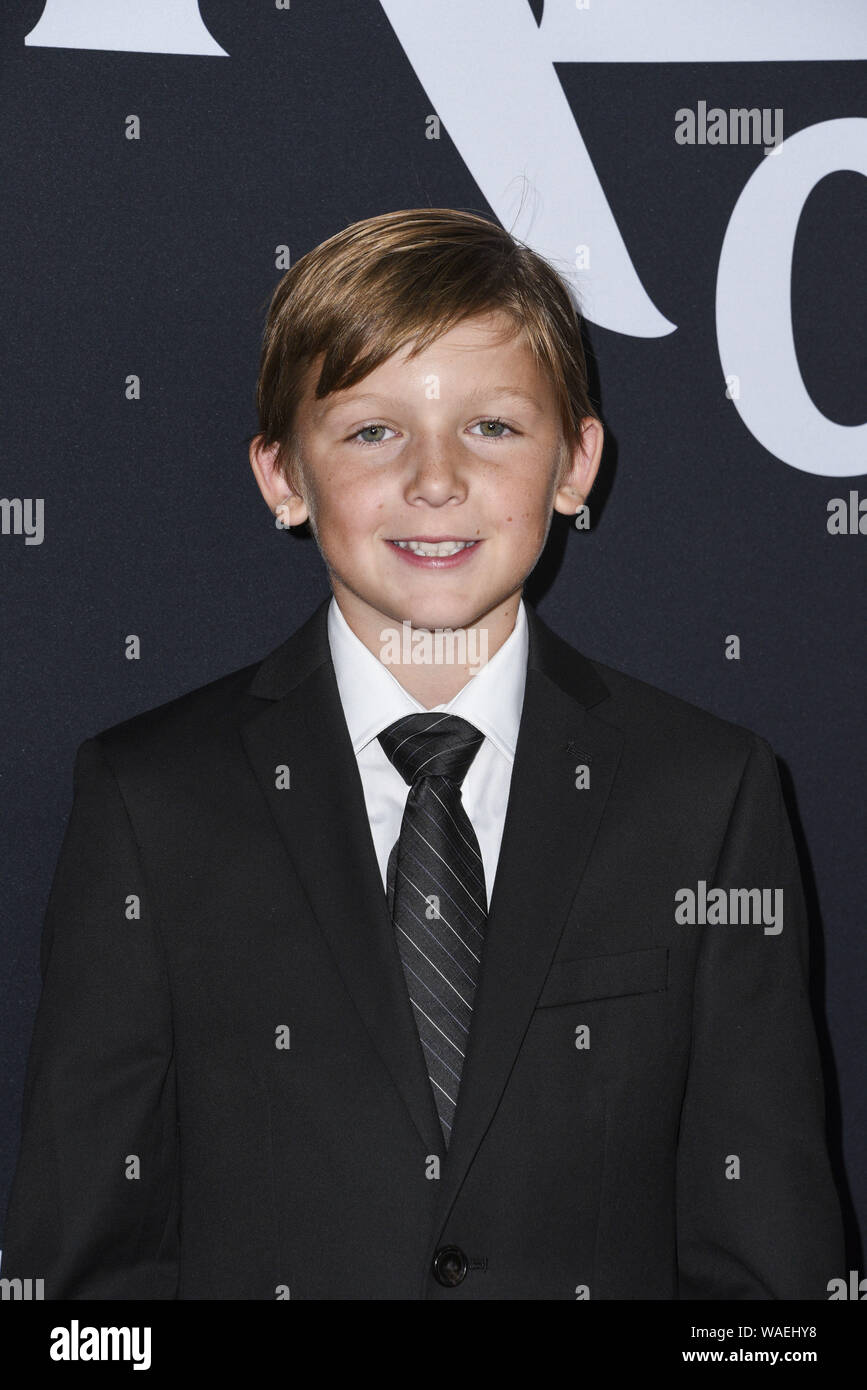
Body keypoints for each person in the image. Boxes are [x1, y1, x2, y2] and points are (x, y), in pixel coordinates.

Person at [2, 207, 845, 1299]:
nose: (436, 478)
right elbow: (85, 1281)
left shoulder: (708, 795)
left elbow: (770, 1281)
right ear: (282, 477)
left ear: (577, 462)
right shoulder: (150, 798)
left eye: (493, 426)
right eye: (371, 431)